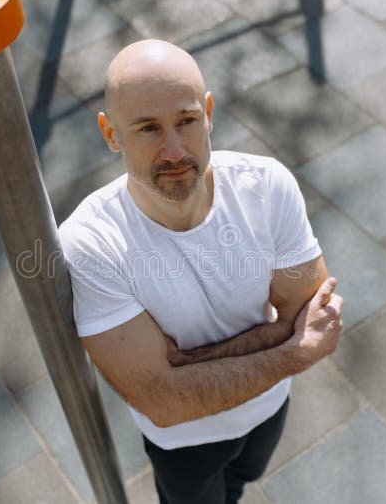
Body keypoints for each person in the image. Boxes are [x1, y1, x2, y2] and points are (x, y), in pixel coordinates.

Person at [58, 39, 344, 504]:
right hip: (184, 443)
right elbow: (164, 404)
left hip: (270, 405)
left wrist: (183, 366)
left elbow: (308, 314)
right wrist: (294, 352)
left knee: (242, 481)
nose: (174, 151)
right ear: (111, 135)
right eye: (148, 129)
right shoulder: (90, 244)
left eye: (186, 121)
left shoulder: (267, 186)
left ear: (208, 112)